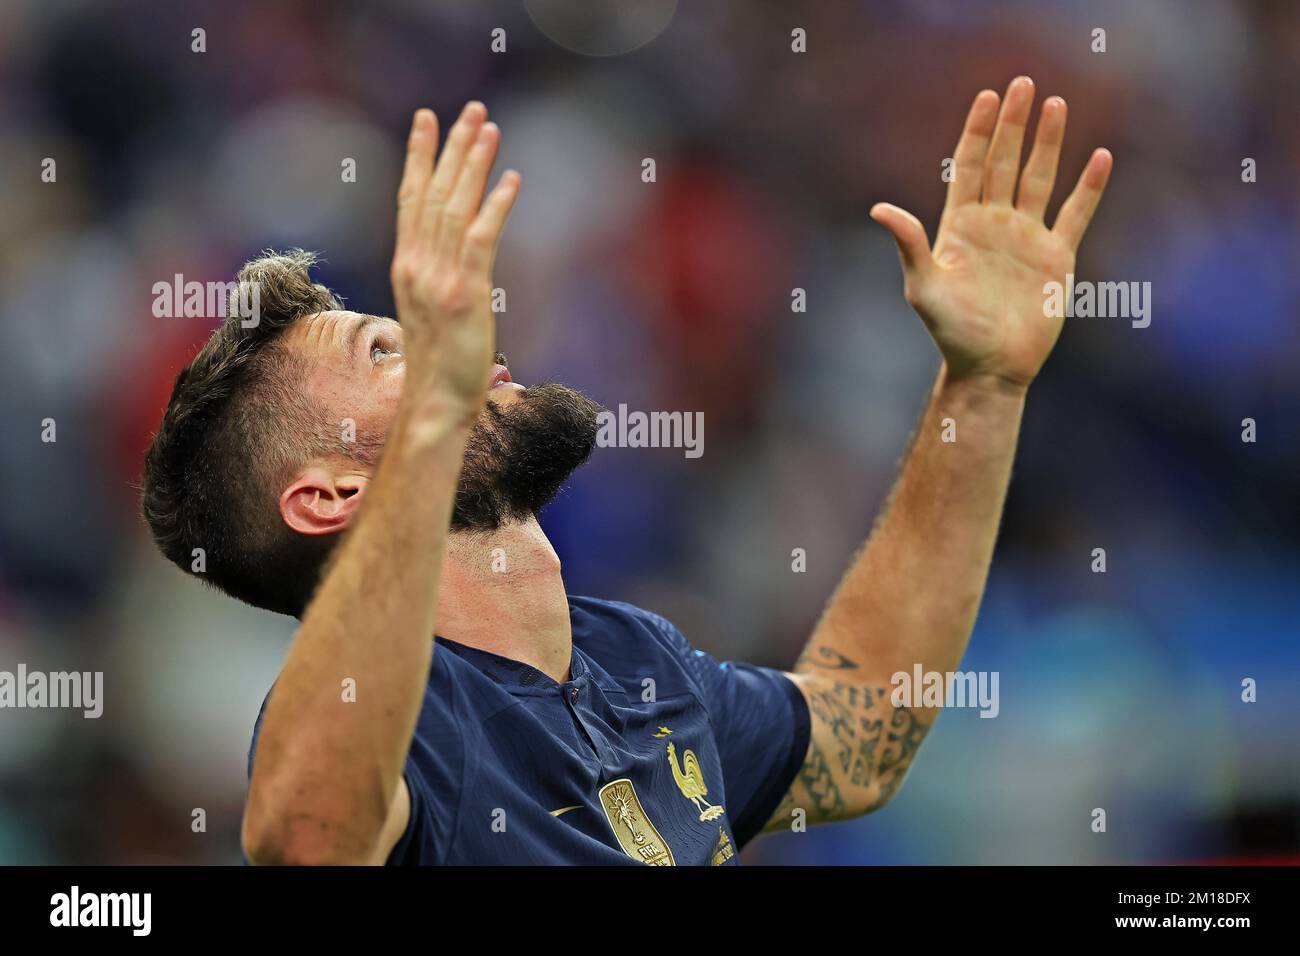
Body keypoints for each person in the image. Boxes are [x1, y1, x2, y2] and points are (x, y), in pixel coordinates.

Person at [140, 76, 1111, 864]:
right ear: (328, 495)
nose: (466, 352)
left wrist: (982, 386)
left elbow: (856, 739)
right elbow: (309, 838)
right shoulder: (383, 723)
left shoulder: (632, 659)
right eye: (390, 352)